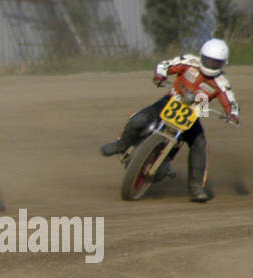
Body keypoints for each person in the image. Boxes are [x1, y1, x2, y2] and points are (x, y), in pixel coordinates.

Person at [100, 38, 240, 202]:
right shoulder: (189, 62)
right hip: (172, 100)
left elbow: (231, 103)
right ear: (201, 56)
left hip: (194, 113)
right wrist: (160, 75)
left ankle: (196, 187)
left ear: (223, 64)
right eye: (208, 59)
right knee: (139, 118)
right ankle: (120, 145)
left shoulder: (221, 83)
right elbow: (164, 65)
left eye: (215, 62)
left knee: (200, 144)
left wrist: (232, 114)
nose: (210, 64)